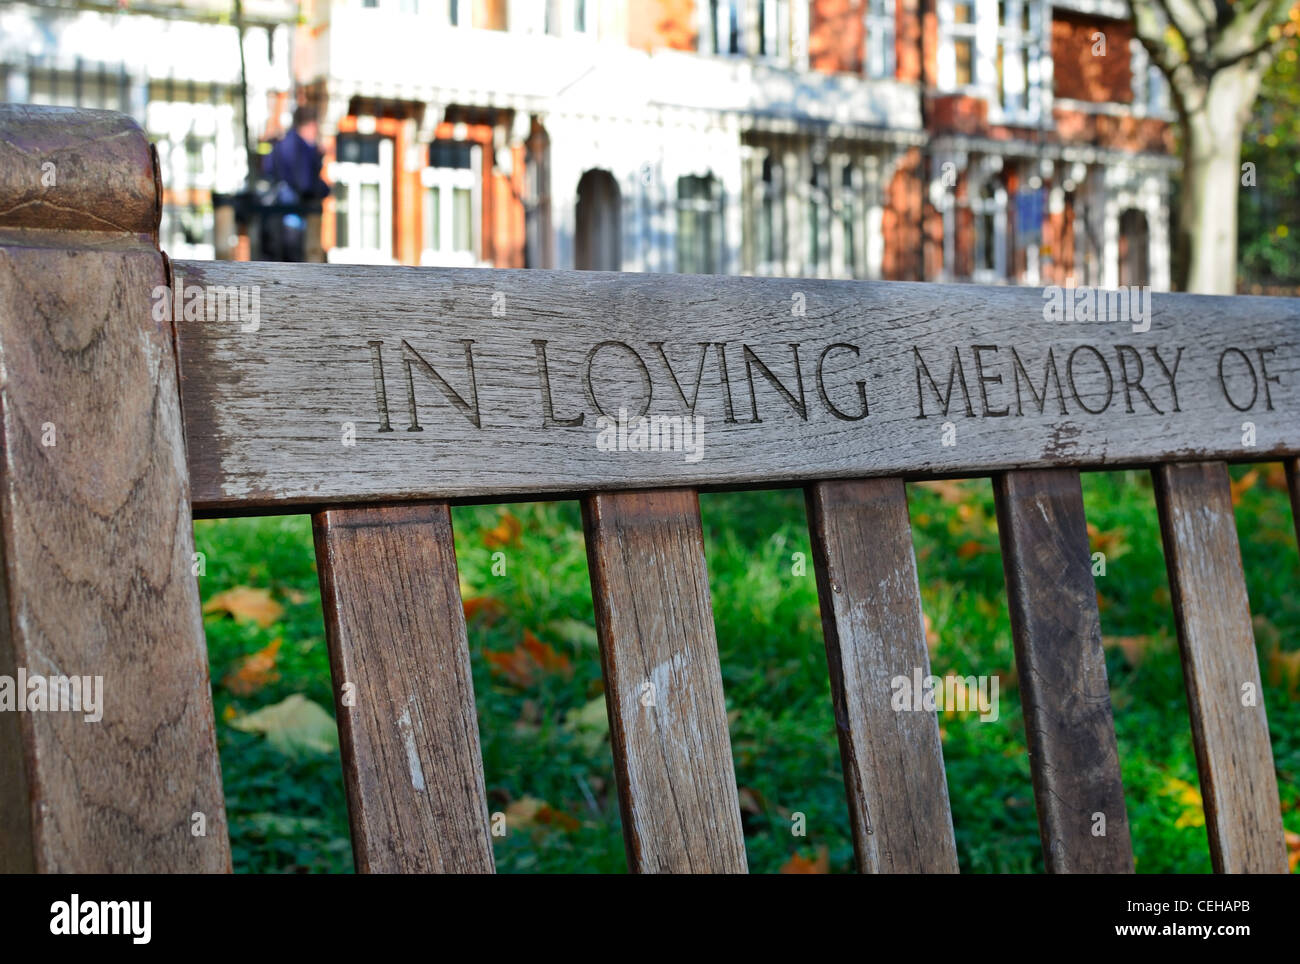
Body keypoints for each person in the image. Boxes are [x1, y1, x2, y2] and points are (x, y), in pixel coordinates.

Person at [260, 105, 330, 261]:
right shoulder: (302, 148)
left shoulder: (280, 144)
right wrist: (325, 188)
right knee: (298, 262)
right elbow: (306, 184)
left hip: (276, 213)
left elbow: (267, 169)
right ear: (312, 125)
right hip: (295, 215)